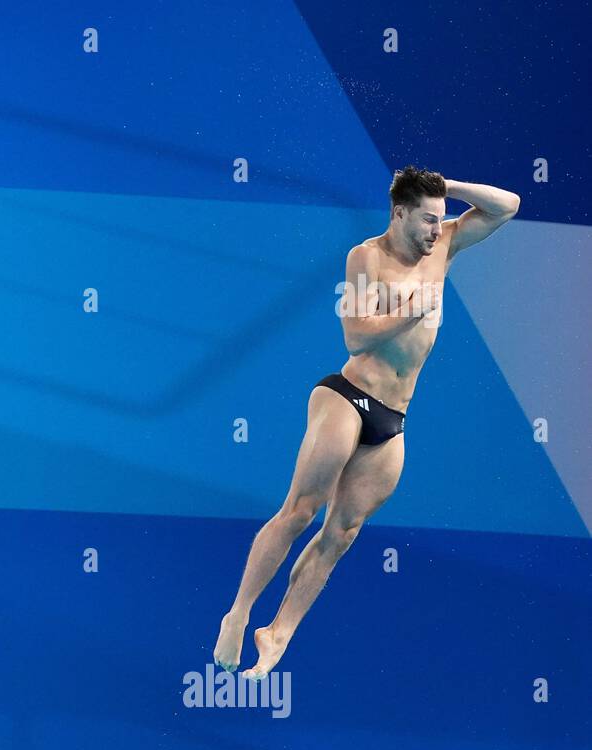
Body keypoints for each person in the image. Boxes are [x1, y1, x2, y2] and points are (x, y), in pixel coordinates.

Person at [214, 167, 520, 678]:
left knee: (343, 532)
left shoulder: (443, 245)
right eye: (425, 220)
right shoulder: (367, 257)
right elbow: (355, 337)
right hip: (348, 396)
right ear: (398, 213)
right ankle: (239, 614)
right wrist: (412, 310)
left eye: (439, 220)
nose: (433, 231)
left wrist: (450, 187)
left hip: (394, 416)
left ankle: (279, 632)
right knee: (300, 512)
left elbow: (507, 204)